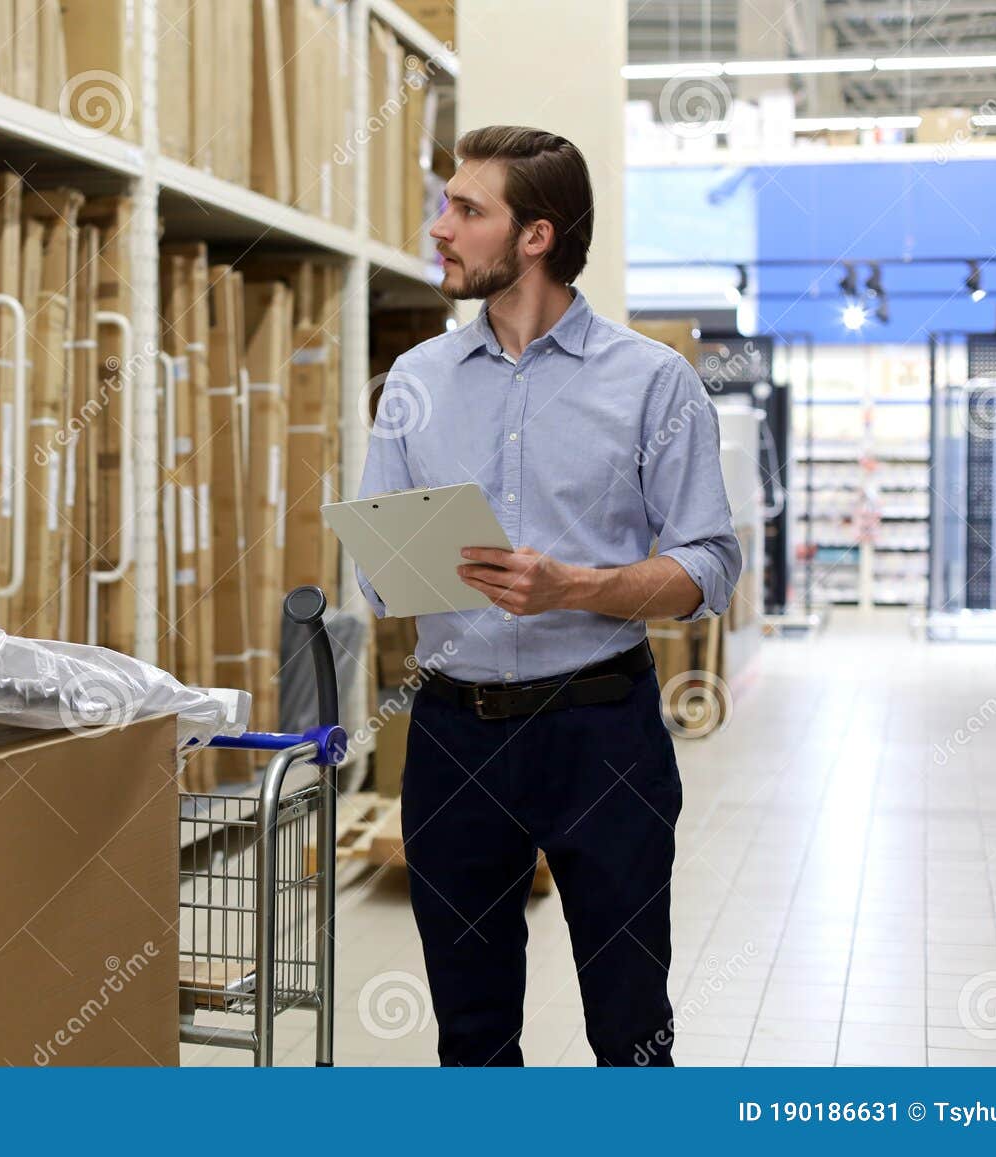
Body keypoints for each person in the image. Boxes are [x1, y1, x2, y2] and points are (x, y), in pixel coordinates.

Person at [356, 125, 743, 1067]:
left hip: (601, 734)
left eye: (466, 209)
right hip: (454, 737)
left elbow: (710, 565)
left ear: (535, 237)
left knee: (630, 1026)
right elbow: (375, 572)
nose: (439, 226)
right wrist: (404, 560)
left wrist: (577, 584)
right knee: (473, 1035)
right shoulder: (415, 381)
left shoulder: (653, 383)